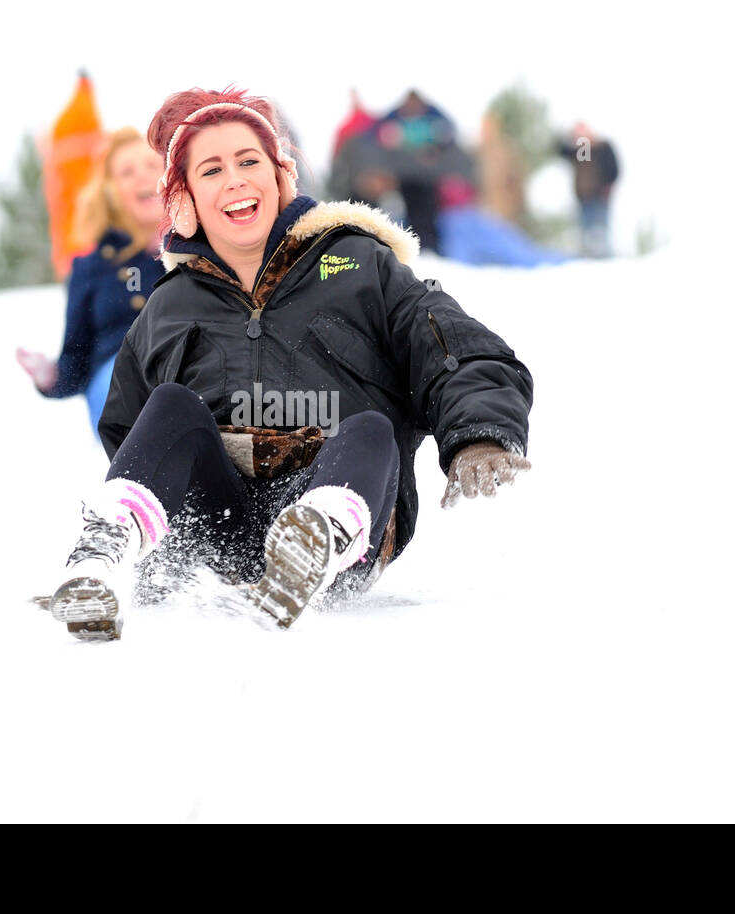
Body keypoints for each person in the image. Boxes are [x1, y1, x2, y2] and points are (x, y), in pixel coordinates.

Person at [48, 88, 534, 641]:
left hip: (342, 507)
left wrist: (480, 432)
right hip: (219, 526)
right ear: (185, 201)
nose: (234, 179)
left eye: (248, 161)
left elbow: (453, 345)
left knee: (369, 429)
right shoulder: (170, 304)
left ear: (280, 176)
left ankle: (309, 546)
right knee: (171, 406)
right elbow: (129, 430)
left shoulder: (357, 263)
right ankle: (102, 558)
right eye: (211, 170)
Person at [15, 128, 165, 437]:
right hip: (117, 384)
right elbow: (76, 361)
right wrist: (51, 376)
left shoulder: (196, 249)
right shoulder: (90, 267)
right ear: (110, 191)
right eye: (127, 171)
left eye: (152, 166)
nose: (143, 177)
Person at [558, 122, 620, 258]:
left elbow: (614, 170)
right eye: (578, 134)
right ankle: (590, 262)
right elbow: (566, 153)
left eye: (582, 133)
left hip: (599, 198)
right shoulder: (583, 150)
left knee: (598, 234)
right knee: (586, 235)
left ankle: (604, 262)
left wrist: (606, 188)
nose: (580, 136)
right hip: (583, 199)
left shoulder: (602, 147)